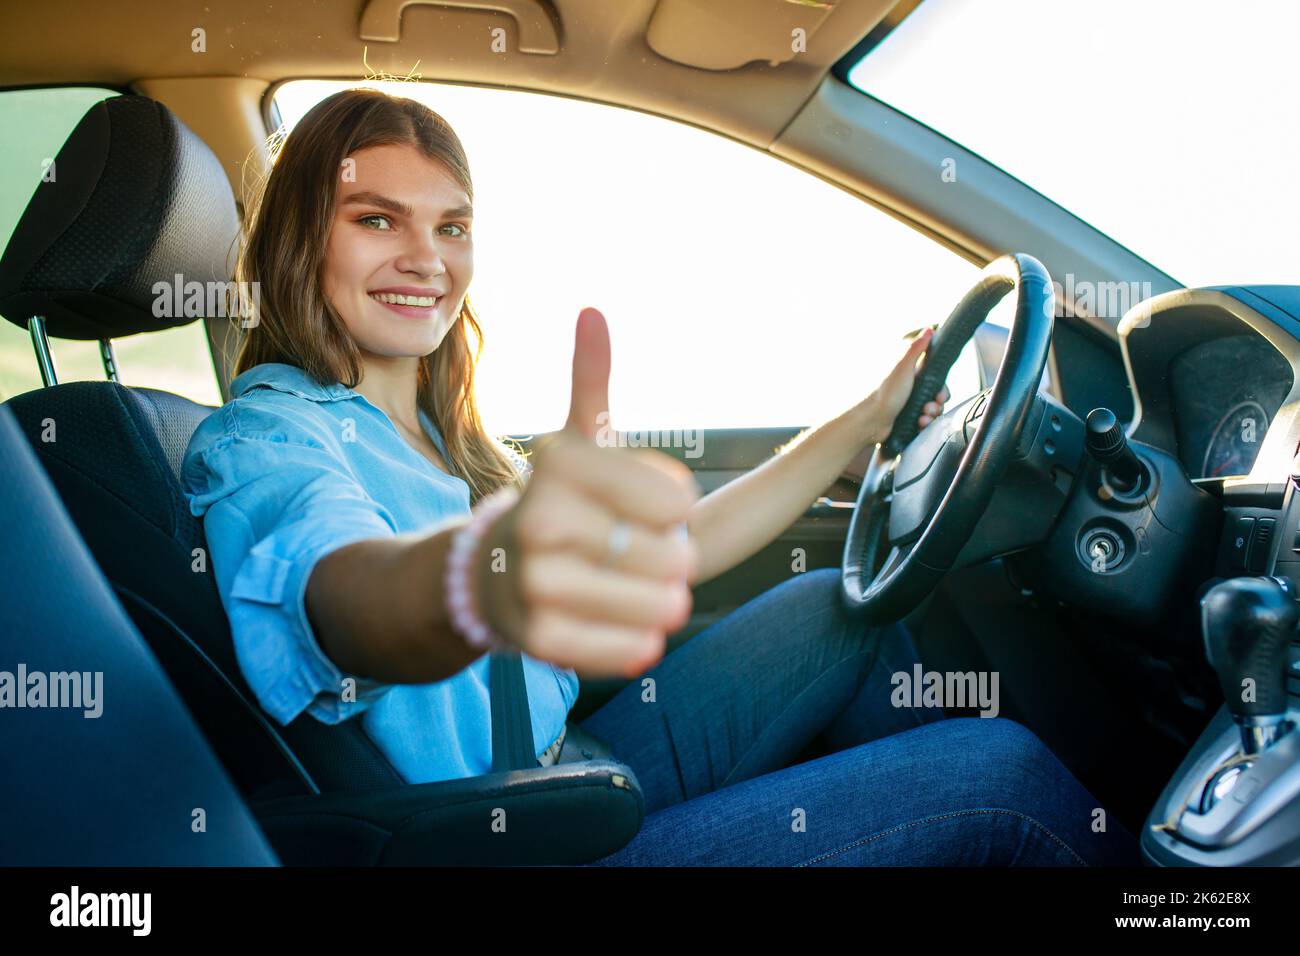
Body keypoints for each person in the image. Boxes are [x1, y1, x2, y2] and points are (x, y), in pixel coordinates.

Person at [182, 87, 1137, 866]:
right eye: (376, 219)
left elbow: (683, 547)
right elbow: (342, 596)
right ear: (303, 239)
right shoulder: (270, 437)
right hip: (510, 843)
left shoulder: (445, 437)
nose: (426, 259)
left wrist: (864, 426)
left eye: (453, 226)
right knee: (998, 777)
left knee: (838, 612)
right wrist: (483, 574)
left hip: (573, 769)